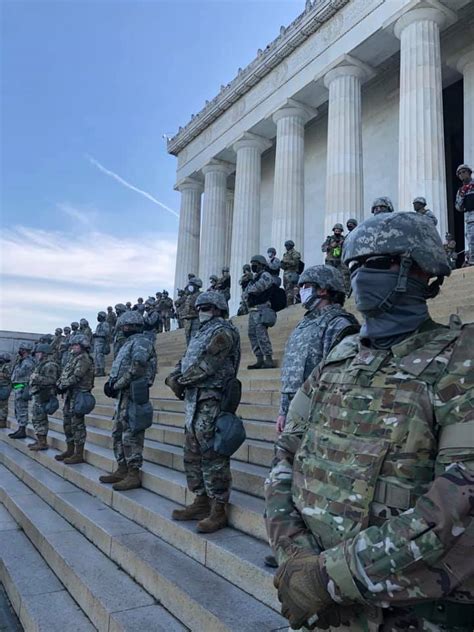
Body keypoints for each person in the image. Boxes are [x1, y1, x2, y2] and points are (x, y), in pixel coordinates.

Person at [265, 212, 474, 632]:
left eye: (376, 264)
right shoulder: (338, 358)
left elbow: (458, 499)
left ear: (419, 271)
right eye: (354, 266)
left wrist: (330, 577)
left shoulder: (461, 360)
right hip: (321, 603)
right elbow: (285, 457)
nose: (360, 276)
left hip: (407, 614)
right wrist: (296, 560)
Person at [165, 291, 240, 533]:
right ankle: (200, 500)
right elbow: (187, 359)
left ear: (218, 308)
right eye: (199, 307)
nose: (201, 311)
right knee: (192, 452)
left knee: (212, 454)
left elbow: (208, 364)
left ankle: (218, 508)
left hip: (212, 399)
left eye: (206, 307)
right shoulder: (200, 332)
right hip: (194, 400)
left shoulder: (223, 331)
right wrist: (174, 376)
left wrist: (182, 380)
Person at [276, 265, 359, 434]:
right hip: (295, 414)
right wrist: (283, 411)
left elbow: (340, 379)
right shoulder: (304, 324)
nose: (300, 291)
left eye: (305, 286)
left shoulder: (338, 324)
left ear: (322, 290)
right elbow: (291, 377)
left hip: (319, 414)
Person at [100, 311, 157, 490]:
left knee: (131, 434)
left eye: (126, 326)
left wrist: (116, 385)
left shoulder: (142, 341)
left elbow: (137, 368)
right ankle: (122, 468)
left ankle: (133, 473)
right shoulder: (128, 343)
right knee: (118, 432)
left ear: (134, 326)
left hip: (133, 394)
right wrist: (112, 384)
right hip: (123, 394)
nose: (123, 329)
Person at [56, 334, 94, 464]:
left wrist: (62, 385)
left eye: (76, 345)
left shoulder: (84, 358)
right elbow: (65, 374)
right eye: (72, 345)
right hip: (70, 394)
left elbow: (77, 376)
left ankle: (78, 453)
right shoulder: (74, 358)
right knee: (67, 423)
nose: (73, 347)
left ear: (83, 346)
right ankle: (70, 449)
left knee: (77, 425)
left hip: (79, 395)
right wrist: (60, 385)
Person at [244, 255, 276, 369]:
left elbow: (256, 288)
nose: (253, 266)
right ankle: (259, 359)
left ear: (261, 265)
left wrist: (249, 291)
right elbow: (245, 294)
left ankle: (268, 358)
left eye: (255, 264)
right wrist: (248, 292)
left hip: (262, 309)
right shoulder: (254, 278)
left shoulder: (265, 275)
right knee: (252, 334)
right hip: (253, 310)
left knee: (261, 333)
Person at [28, 343, 60, 451]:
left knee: (40, 419)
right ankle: (39, 440)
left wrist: (36, 378)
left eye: (38, 353)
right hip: (38, 394)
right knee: (36, 419)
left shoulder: (50, 365)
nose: (36, 355)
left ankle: (42, 442)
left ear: (44, 353)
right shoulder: (41, 364)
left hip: (44, 395)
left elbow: (51, 381)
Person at [8, 341, 35, 439]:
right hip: (18, 385)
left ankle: (22, 429)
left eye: (21, 349)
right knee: (18, 407)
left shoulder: (27, 362)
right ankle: (20, 428)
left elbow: (20, 373)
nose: (19, 351)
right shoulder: (22, 360)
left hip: (23, 386)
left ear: (25, 351)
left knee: (22, 407)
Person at [455, 163, 474, 266]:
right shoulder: (461, 191)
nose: (462, 174)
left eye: (464, 172)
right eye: (460, 173)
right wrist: (462, 195)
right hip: (470, 219)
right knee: (472, 241)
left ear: (469, 173)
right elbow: (458, 207)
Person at [281, 240, 302, 306]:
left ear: (291, 245)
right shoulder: (285, 254)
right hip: (286, 274)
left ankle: (295, 304)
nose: (286, 247)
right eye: (285, 246)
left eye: (287, 245)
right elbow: (283, 264)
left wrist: (286, 261)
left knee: (293, 291)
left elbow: (295, 263)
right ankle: (288, 306)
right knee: (287, 291)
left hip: (292, 274)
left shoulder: (295, 253)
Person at [182, 277, 203, 345]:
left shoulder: (201, 295)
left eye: (191, 285)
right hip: (188, 321)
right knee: (188, 338)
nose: (189, 287)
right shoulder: (189, 297)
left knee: (195, 339)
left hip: (197, 320)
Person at [93, 311, 110, 377]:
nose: (98, 317)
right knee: (96, 357)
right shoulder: (99, 324)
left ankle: (101, 371)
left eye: (99, 315)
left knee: (100, 357)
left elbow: (106, 333)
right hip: (97, 342)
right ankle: (98, 371)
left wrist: (97, 334)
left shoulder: (105, 324)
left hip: (101, 342)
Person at [0, 353, 12, 429]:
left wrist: (2, 375)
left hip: (5, 387)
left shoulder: (8, 366)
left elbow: (10, 376)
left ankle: (2, 421)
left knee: (3, 405)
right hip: (1, 386)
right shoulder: (2, 366)